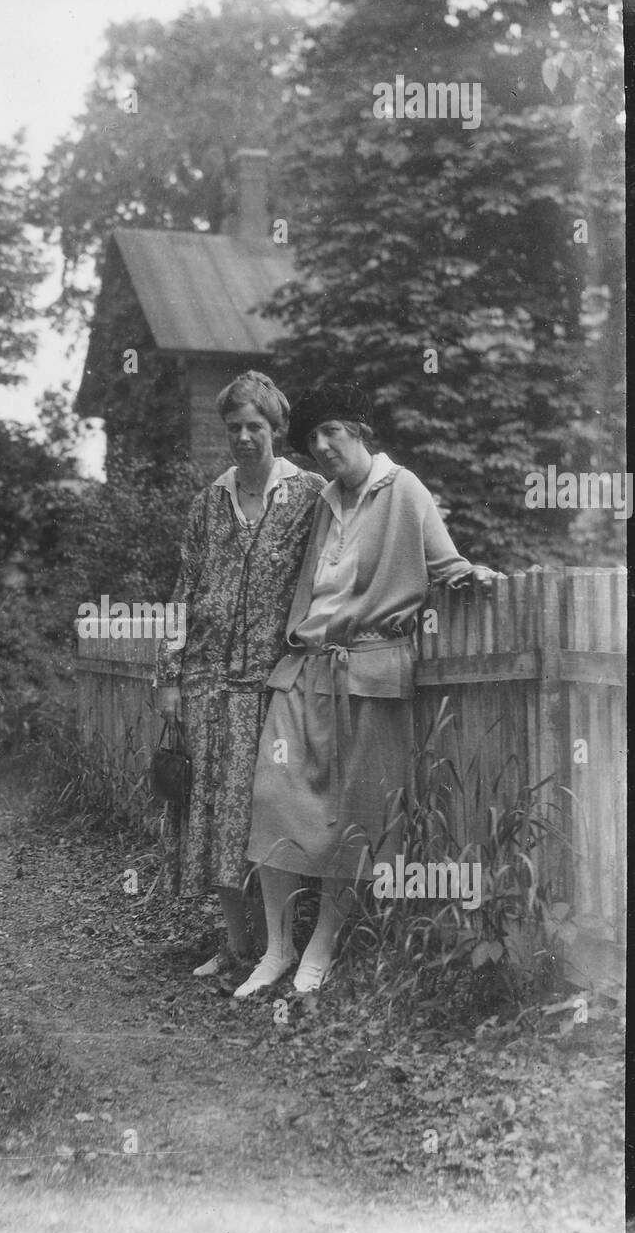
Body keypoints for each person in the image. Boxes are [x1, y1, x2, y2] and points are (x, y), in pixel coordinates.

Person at [236, 382, 501, 998]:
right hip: (303, 668)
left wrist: (475, 576)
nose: (322, 447)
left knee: (356, 818)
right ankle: (278, 948)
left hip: (372, 673)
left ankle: (322, 946)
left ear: (359, 430)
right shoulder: (323, 502)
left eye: (332, 431)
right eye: (310, 440)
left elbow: (445, 562)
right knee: (272, 797)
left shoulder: (403, 489)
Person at [155, 371, 324, 977]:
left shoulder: (308, 495)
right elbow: (183, 594)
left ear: (276, 428)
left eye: (256, 426)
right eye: (234, 428)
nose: (245, 438)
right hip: (206, 683)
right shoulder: (208, 503)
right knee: (211, 812)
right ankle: (236, 945)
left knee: (265, 811)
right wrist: (170, 677)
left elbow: (342, 557)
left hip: (272, 683)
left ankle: (280, 947)